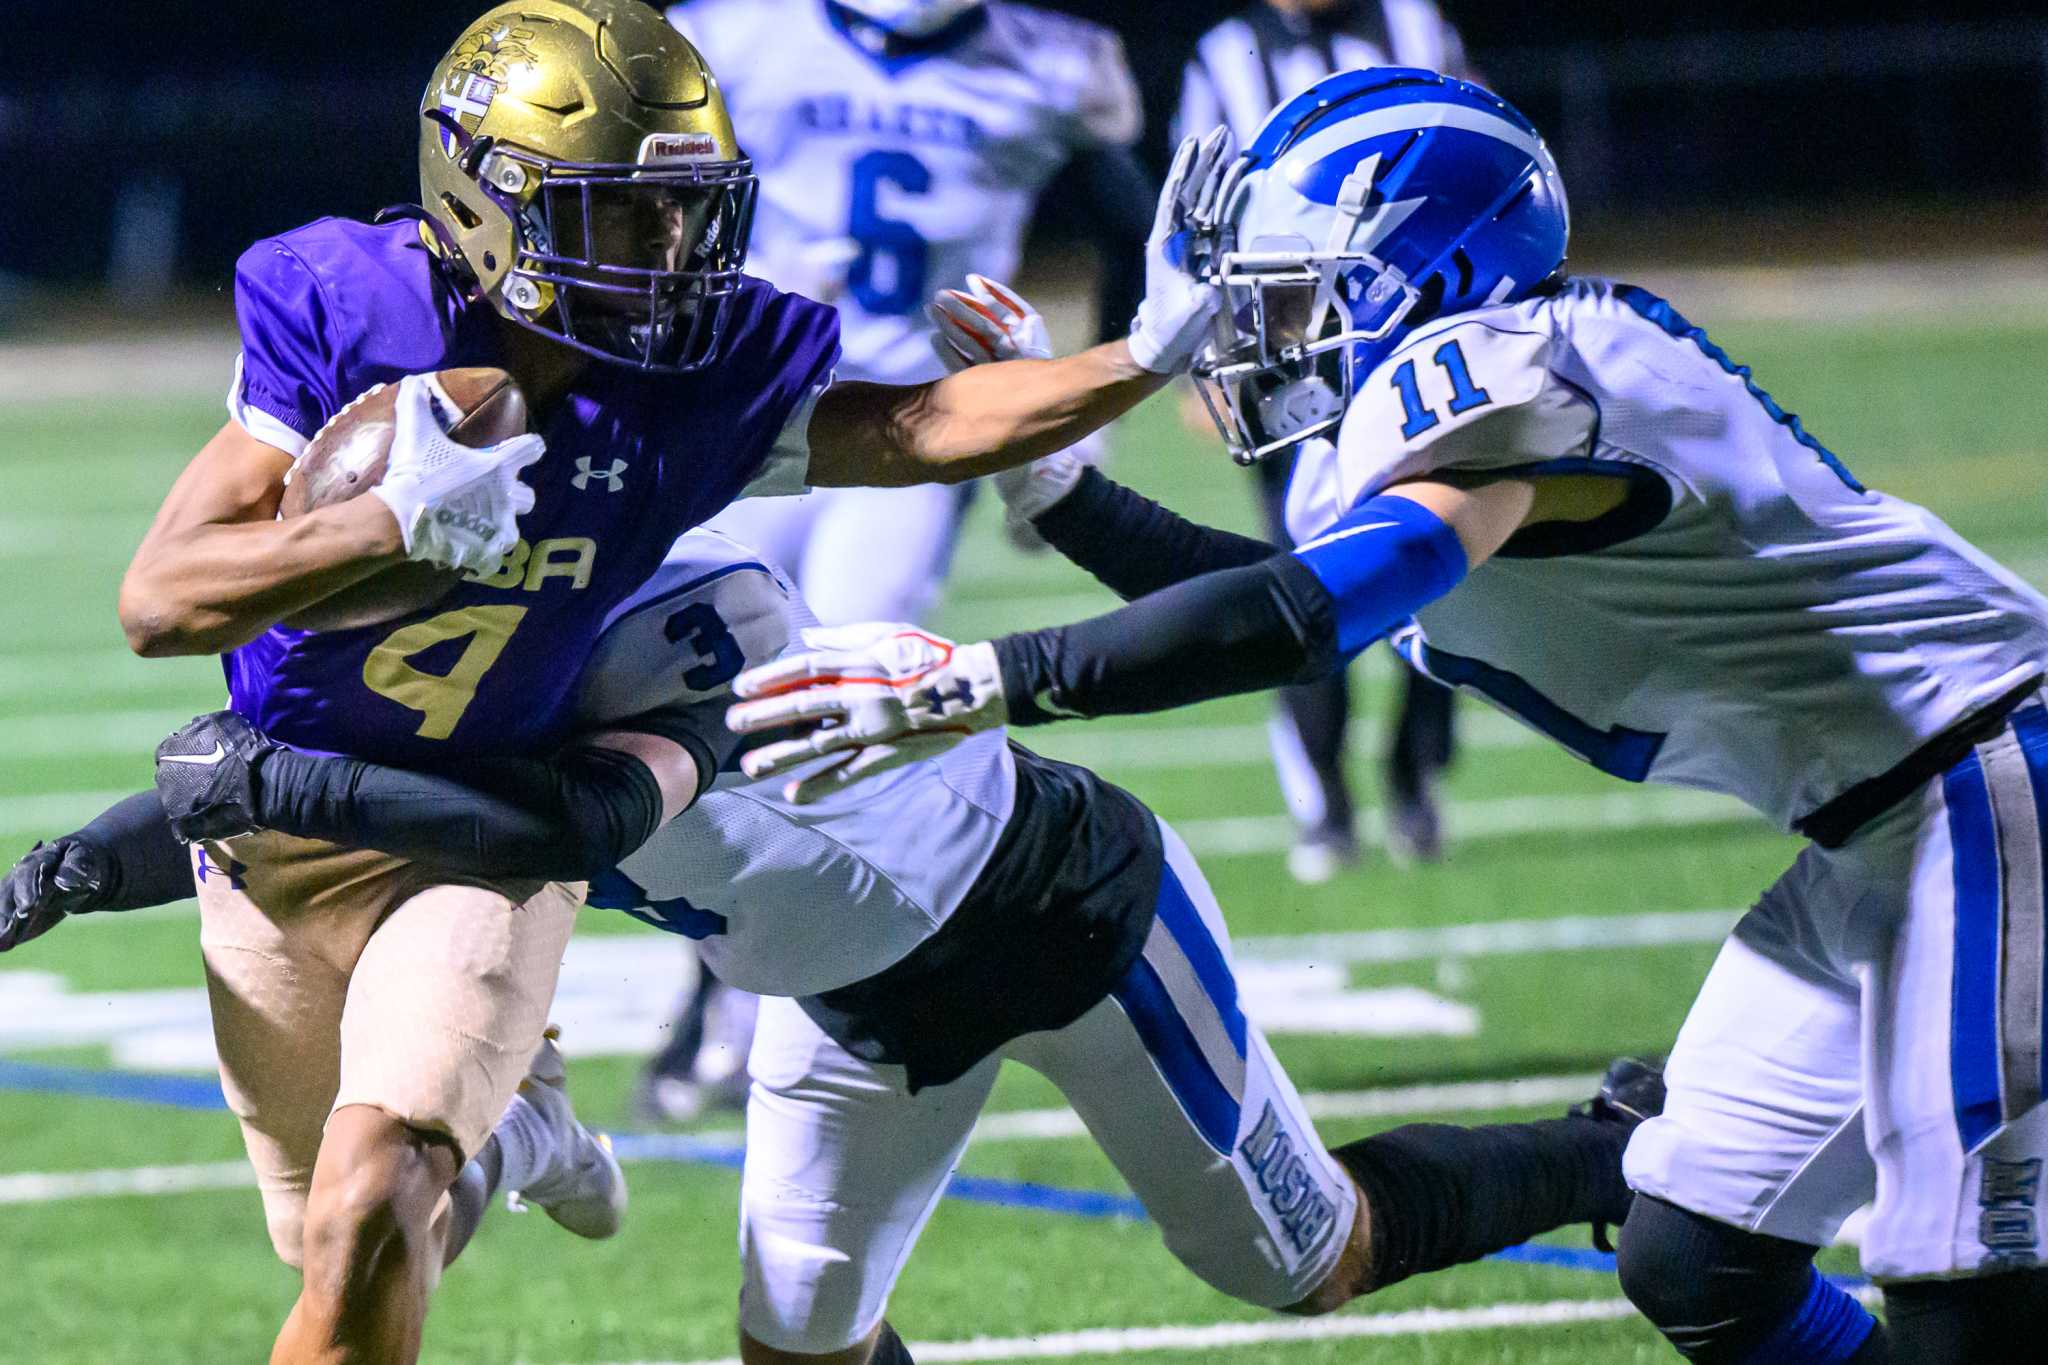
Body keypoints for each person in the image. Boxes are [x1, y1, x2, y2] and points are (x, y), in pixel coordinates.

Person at [725, 69, 2048, 1362]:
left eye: (1294, 289)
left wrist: (978, 680)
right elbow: (1281, 599)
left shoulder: (1520, 362)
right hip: (1896, 821)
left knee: (1963, 1289)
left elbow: (1298, 619)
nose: (1260, 333)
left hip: (1989, 781)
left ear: (1435, 269)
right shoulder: (1442, 431)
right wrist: (1065, 491)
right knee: (1697, 1251)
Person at [98, 0, 1215, 1353]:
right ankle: (520, 1137)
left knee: (370, 1211)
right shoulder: (352, 307)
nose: (670, 251)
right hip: (294, 829)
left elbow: (921, 426)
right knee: (343, 1241)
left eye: (686, 211)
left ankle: (487, 1128)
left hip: (490, 829)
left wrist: (1138, 359)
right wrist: (387, 524)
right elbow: (159, 600)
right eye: (623, 216)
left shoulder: (697, 366)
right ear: (485, 204)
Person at [4, 523, 1659, 1365]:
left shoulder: (668, 612)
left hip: (1057, 913)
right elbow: (331, 803)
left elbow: (557, 828)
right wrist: (73, 861)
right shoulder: (466, 662)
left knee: (1303, 1265)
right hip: (847, 1000)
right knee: (797, 1341)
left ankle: (1604, 1155)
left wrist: (280, 778)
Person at [634, 0, 1157, 1124]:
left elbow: (1131, 225)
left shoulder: (1053, 58)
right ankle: (711, 982)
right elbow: (646, 198)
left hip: (917, 430)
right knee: (678, 671)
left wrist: (1079, 420)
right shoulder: (736, 31)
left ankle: (752, 1004)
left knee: (833, 701)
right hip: (753, 407)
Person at [1174, 0, 1480, 876]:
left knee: (1435, 562)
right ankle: (1322, 797)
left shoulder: (1419, 25)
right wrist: (1207, 347)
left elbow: (1477, 149)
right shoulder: (1224, 55)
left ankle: (1416, 774)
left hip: (1420, 329)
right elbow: (1197, 217)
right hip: (1287, 351)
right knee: (1308, 575)